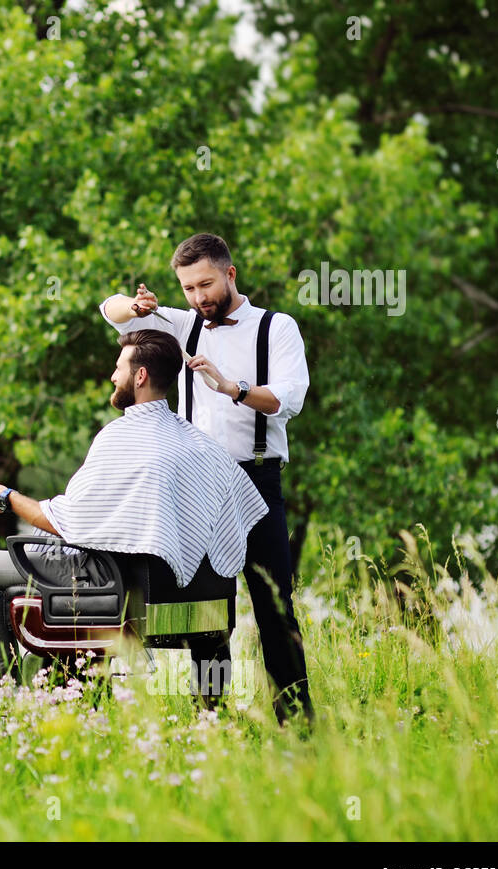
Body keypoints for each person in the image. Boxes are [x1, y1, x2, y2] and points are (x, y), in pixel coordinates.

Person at [0, 329, 267, 688]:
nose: (112, 376)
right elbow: (232, 525)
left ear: (140, 376)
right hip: (202, 600)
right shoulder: (202, 445)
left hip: (113, 583)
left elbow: (67, 523)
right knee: (16, 585)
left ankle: (4, 688)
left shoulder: (120, 438)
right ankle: (214, 716)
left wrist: (8, 497)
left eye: (118, 368)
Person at [99, 233, 315, 725]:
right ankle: (210, 721)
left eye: (206, 285)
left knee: (275, 612)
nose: (198, 298)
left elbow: (289, 400)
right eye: (188, 288)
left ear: (230, 274)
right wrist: (133, 306)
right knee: (207, 613)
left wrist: (231, 387)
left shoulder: (276, 328)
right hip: (199, 485)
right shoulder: (181, 323)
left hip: (257, 482)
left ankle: (298, 725)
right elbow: (110, 313)